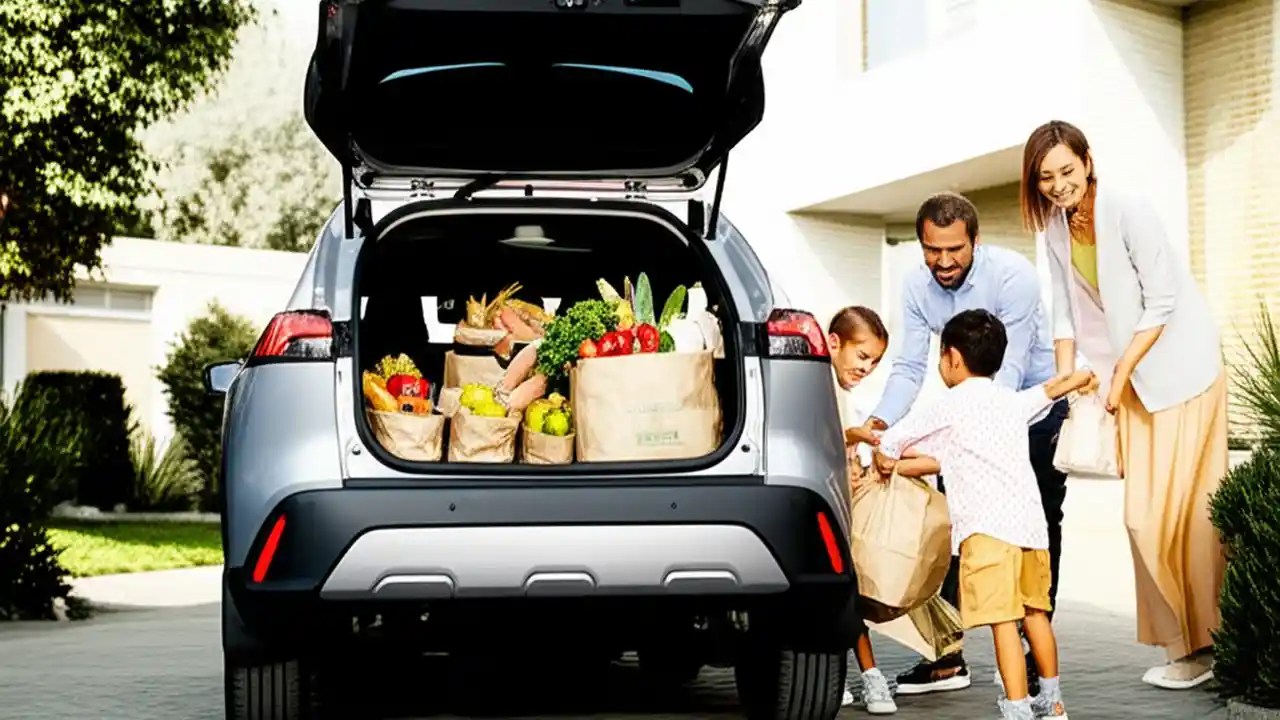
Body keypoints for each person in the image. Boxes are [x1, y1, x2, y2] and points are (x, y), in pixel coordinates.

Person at [1020, 119, 1227, 689]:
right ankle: (1188, 644)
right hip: (1128, 383)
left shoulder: (1128, 209)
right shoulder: (1055, 231)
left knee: (1189, 518)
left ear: (1088, 162)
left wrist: (1120, 376)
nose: (1060, 185)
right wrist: (1065, 382)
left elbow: (1162, 301)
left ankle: (1211, 645)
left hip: (1183, 374)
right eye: (1046, 178)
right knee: (1142, 518)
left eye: (1067, 170)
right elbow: (1063, 311)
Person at [850, 192, 1068, 696]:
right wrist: (880, 424)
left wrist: (964, 423)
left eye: (954, 250)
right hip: (978, 410)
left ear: (975, 240)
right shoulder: (916, 286)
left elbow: (1008, 368)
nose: (943, 261)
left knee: (1037, 527)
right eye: (932, 249)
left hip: (1028, 411)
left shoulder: (1013, 277)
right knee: (956, 523)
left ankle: (1033, 652)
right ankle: (947, 656)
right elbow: (907, 367)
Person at [873, 309, 1094, 720]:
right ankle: (1054, 702)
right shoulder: (1011, 402)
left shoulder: (947, 406)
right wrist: (1085, 375)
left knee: (1003, 623)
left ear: (952, 357)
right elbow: (1053, 387)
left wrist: (884, 463)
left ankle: (1016, 709)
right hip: (1030, 529)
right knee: (1035, 616)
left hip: (986, 531)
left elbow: (892, 442)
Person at [828, 306, 897, 715]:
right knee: (843, 596)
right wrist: (852, 436)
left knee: (847, 595)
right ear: (834, 343)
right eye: (861, 356)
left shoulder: (841, 391)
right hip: (825, 509)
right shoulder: (821, 386)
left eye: (874, 361)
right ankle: (869, 678)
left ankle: (865, 678)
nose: (866, 368)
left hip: (843, 507)